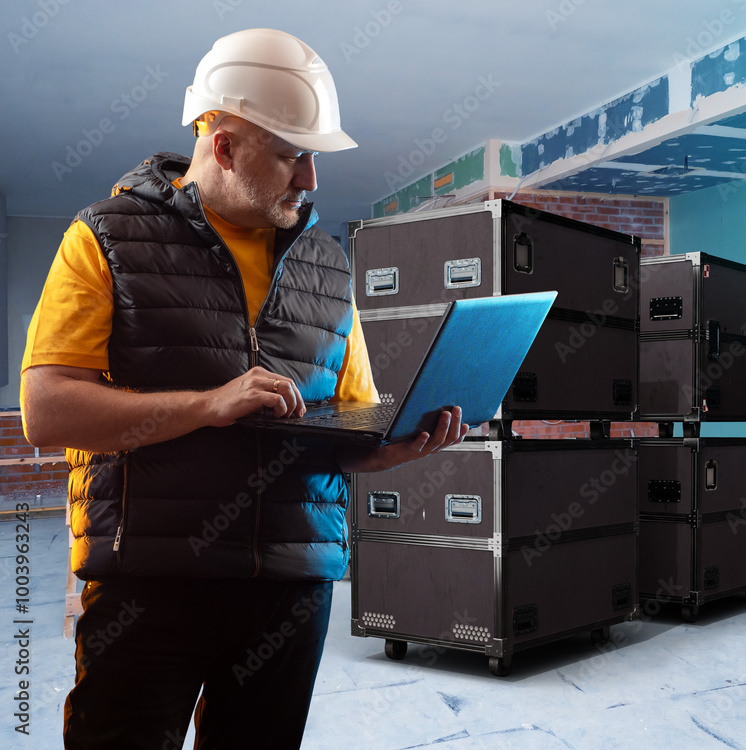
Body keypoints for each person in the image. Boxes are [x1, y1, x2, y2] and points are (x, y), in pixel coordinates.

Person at [20, 28, 468, 749]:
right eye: (292, 155)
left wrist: (386, 451)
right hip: (151, 582)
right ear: (224, 144)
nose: (311, 179)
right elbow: (47, 411)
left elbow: (339, 423)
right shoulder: (106, 237)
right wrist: (209, 405)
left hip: (293, 587)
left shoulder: (329, 268)